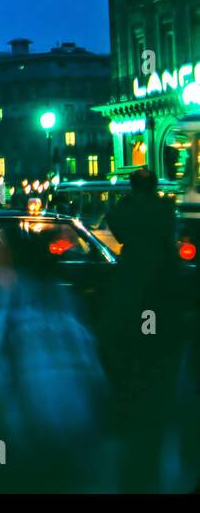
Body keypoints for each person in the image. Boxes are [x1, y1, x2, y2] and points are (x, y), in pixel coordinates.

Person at [0, 221, 108, 491]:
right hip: (78, 424)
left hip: (31, 427)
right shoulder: (64, 302)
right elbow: (92, 368)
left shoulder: (5, 300)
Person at [101, 168, 185, 490]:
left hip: (133, 278)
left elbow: (117, 228)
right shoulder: (164, 209)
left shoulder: (126, 209)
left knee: (123, 330)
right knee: (153, 331)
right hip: (161, 280)